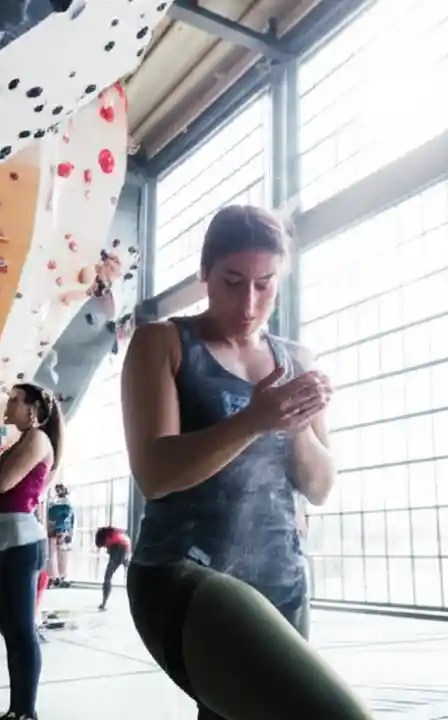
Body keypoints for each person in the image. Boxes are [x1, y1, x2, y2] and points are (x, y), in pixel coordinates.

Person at [121, 205, 373, 720]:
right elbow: (156, 474)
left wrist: (296, 422)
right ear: (205, 274)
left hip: (282, 578)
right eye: (233, 282)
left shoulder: (297, 359)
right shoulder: (164, 342)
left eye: (265, 284)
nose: (249, 302)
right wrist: (253, 420)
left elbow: (320, 488)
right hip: (184, 571)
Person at [0, 383, 64, 720]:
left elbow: (1, 485)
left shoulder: (38, 439)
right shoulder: (21, 441)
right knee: (11, 632)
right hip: (2, 542)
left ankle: (26, 712)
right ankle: (16, 709)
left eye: (15, 400)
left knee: (22, 631)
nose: (8, 405)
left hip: (21, 542)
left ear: (33, 410)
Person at [93, 526, 131, 610]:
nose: (104, 547)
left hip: (119, 548)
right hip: (125, 547)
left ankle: (104, 603)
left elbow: (111, 550)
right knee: (129, 570)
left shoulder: (109, 538)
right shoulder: (115, 533)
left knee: (107, 577)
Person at [45, 484, 75, 588]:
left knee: (60, 553)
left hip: (60, 529)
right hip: (58, 529)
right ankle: (57, 576)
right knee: (56, 553)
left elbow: (69, 518)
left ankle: (60, 576)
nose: (58, 491)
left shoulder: (60, 502)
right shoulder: (63, 502)